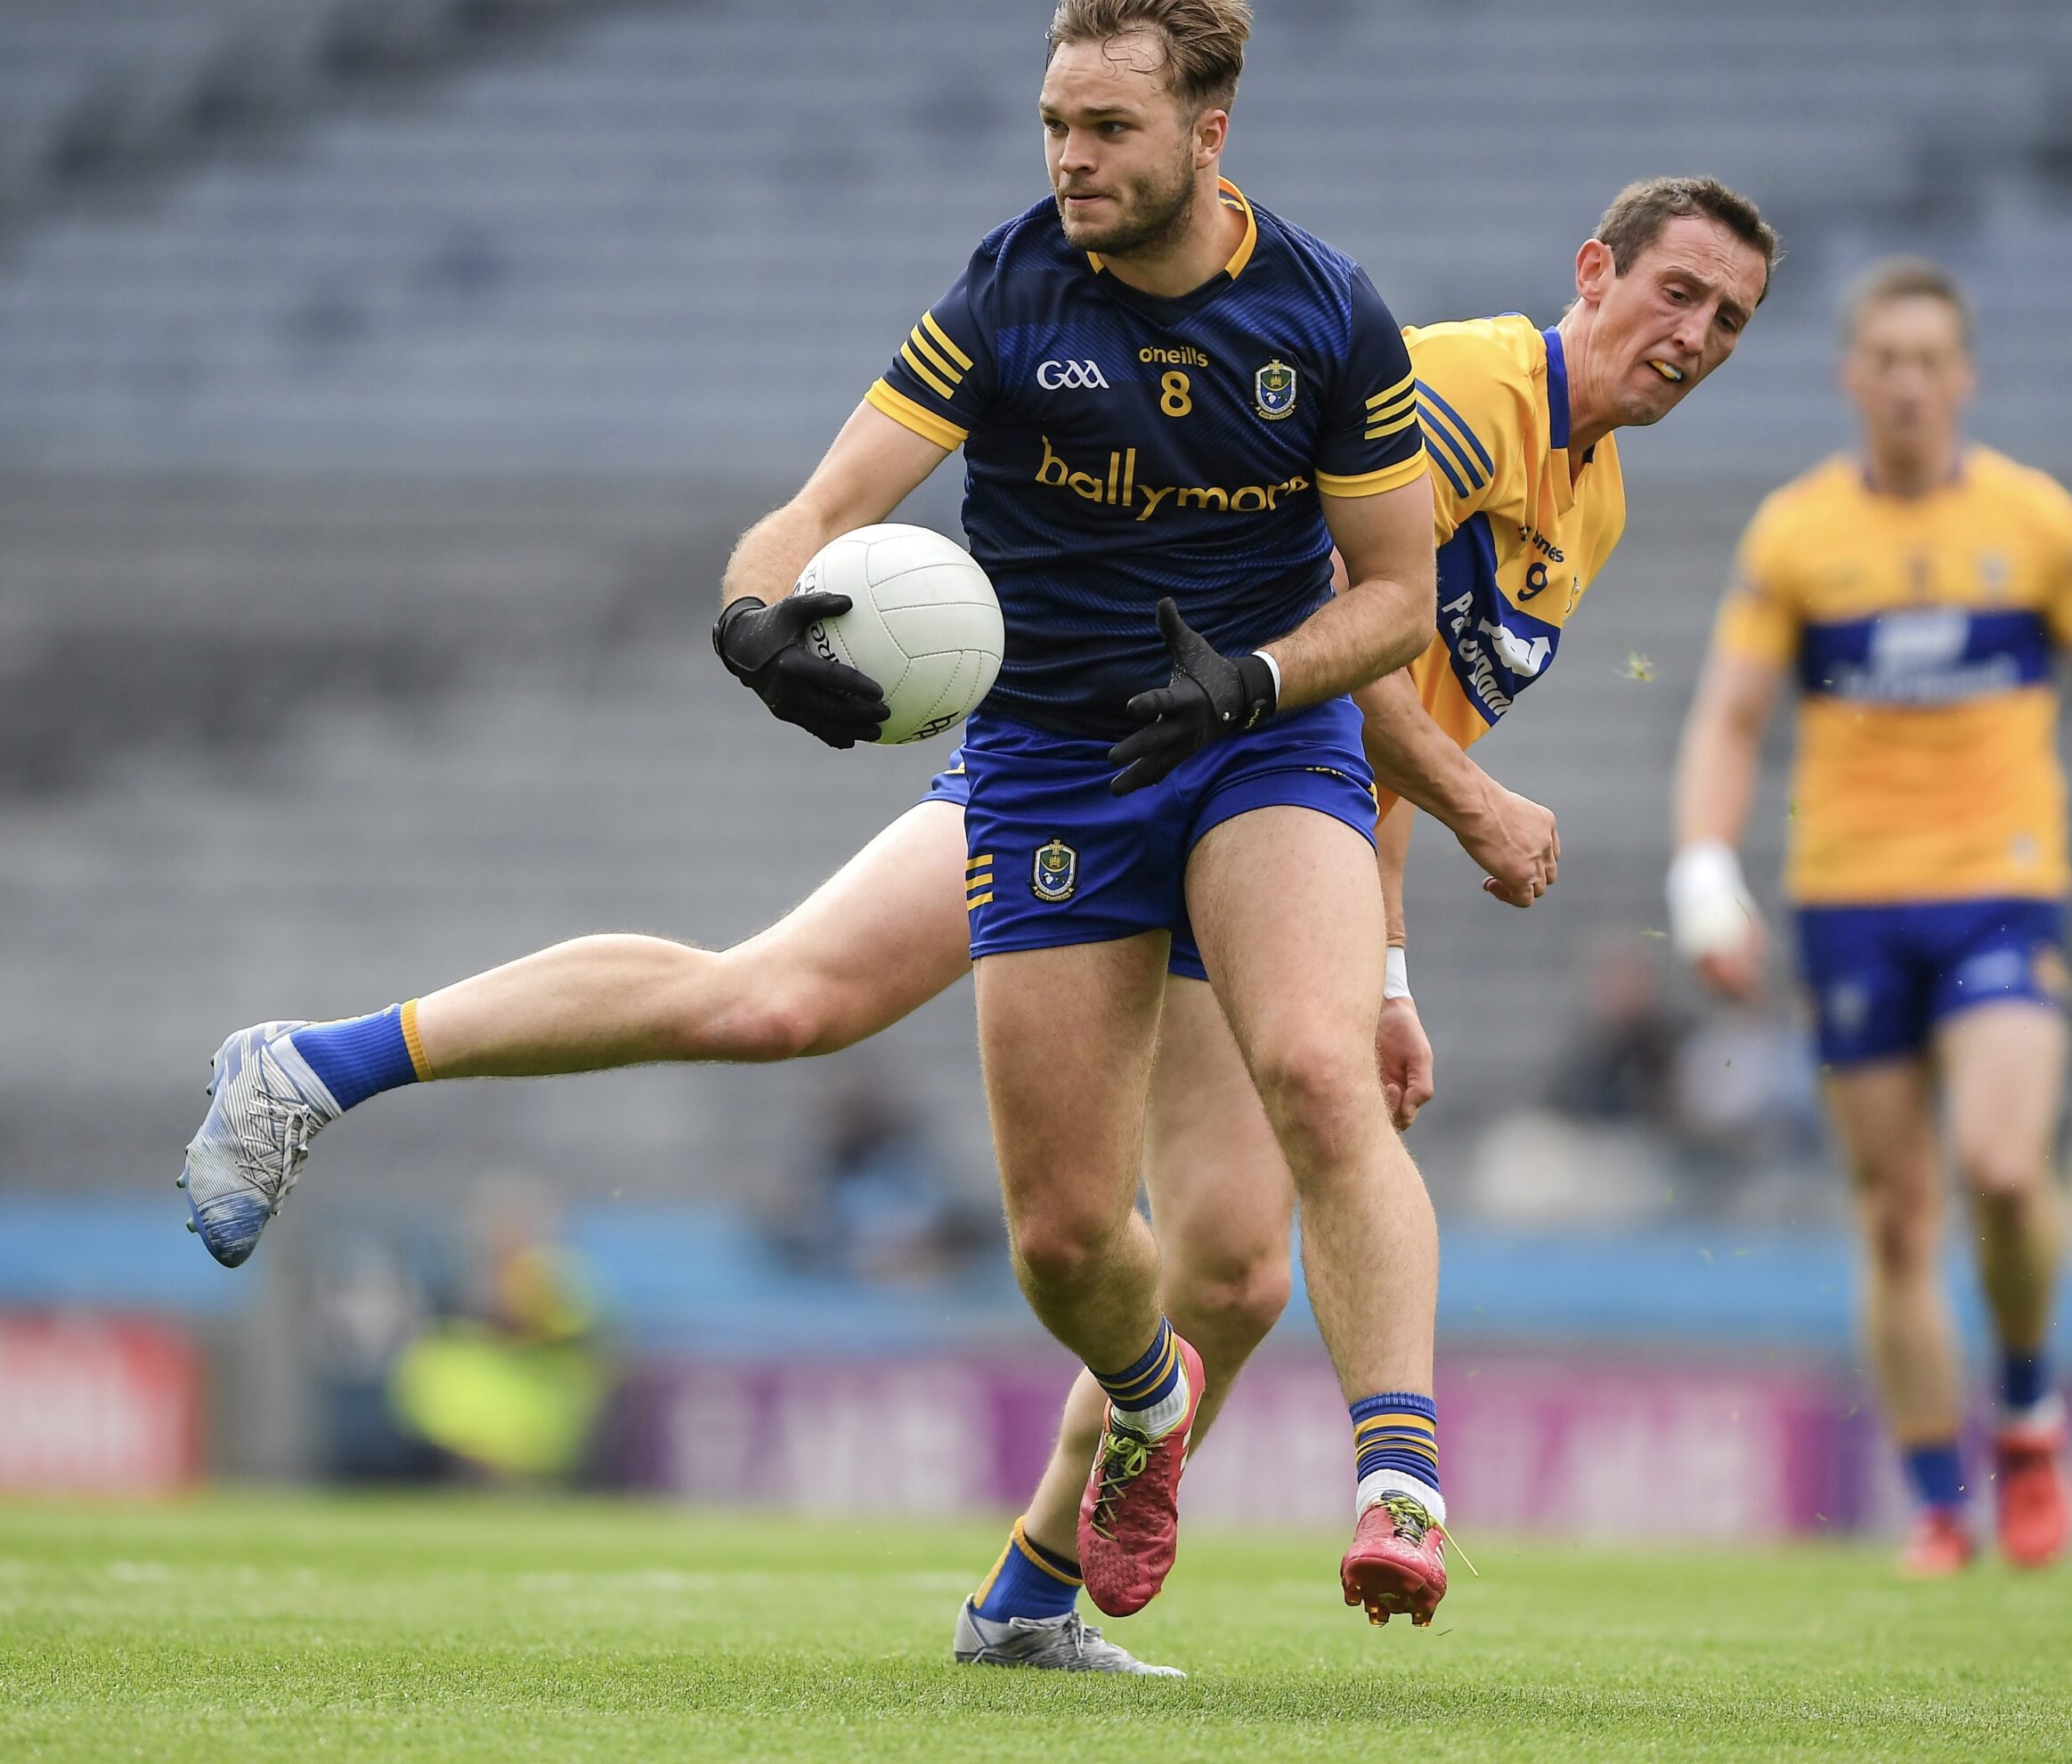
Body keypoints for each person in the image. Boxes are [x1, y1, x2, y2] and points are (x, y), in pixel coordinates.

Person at [181, 167, 1776, 1668]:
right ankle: (318, 1062)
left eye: (1730, 321)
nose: (1693, 337)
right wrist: (1469, 824)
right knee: (782, 1001)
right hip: (1141, 752)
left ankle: (1027, 1595)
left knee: (1229, 1271)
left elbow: (1390, 703)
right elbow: (1330, 623)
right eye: (1678, 293)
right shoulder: (1472, 388)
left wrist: (1392, 964)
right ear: (1595, 272)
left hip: (1260, 810)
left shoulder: (1598, 497)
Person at [1666, 256, 2072, 1576]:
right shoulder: (1797, 534)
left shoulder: (2036, 521)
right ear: (1855, 377)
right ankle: (1939, 1501)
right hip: (1849, 900)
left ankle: (2026, 1416)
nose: (1907, 380)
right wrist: (1702, 868)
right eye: (1884, 359)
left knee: (2006, 1167)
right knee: (1898, 1218)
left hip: (1999, 888)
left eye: (1929, 359)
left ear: (1961, 377)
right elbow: (1730, 717)